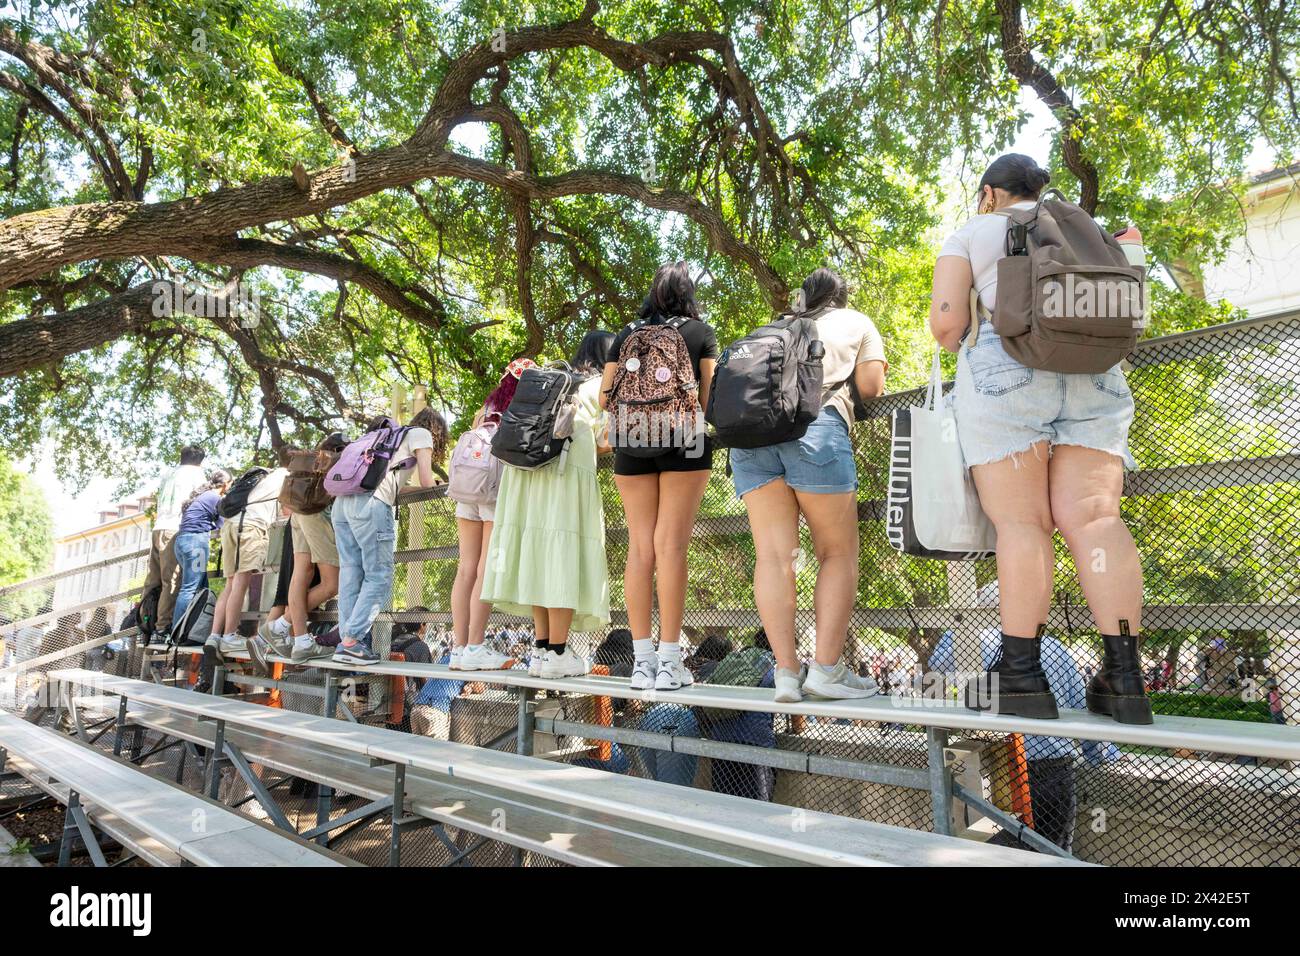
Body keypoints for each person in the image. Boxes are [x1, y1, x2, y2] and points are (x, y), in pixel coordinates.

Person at [929, 153, 1152, 725]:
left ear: (989, 194)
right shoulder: (1085, 228)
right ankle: (1125, 678)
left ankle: (1022, 674)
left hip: (1008, 371)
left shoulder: (973, 232)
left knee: (1023, 524)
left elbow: (948, 324)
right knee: (1098, 520)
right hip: (1096, 373)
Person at [729, 268, 887, 702]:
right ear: (842, 295)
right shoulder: (856, 322)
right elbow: (872, 387)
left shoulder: (774, 326)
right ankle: (827, 671)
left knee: (774, 557)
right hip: (815, 429)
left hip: (751, 442)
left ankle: (785, 672)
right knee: (835, 552)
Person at [929, 582, 1121, 854]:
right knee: (1053, 852)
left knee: (997, 854)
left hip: (996, 765)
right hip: (1054, 768)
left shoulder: (967, 642)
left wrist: (963, 620)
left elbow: (938, 663)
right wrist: (1101, 753)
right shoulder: (1054, 647)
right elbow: (1080, 708)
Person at [600, 262, 717, 692]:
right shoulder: (700, 334)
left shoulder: (626, 333)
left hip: (631, 439)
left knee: (639, 547)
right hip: (684, 438)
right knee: (672, 546)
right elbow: (707, 398)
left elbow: (603, 397)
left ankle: (641, 661)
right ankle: (670, 662)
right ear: (688, 293)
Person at [482, 330, 614, 679]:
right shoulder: (599, 385)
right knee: (562, 555)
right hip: (565, 479)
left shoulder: (553, 380)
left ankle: (543, 649)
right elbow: (605, 439)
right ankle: (557, 651)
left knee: (540, 557)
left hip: (528, 477)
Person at [332, 408, 447, 665]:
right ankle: (352, 641)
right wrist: (438, 486)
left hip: (343, 504)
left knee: (351, 571)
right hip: (371, 506)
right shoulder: (421, 435)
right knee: (379, 575)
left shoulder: (391, 438)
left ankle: (345, 642)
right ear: (436, 430)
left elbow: (396, 486)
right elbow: (429, 481)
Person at [450, 360, 535, 673]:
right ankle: (475, 645)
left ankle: (458, 648)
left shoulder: (485, 409)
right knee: (486, 568)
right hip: (494, 492)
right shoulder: (520, 409)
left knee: (465, 569)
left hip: (466, 491)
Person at [254, 434, 347, 667]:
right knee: (331, 583)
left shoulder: (311, 462)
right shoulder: (334, 461)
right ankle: (282, 629)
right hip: (316, 516)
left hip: (299, 514)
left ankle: (298, 639)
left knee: (301, 574)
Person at [207, 451, 291, 660]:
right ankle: (229, 635)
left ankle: (214, 635)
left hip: (231, 526)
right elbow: (289, 508)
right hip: (251, 528)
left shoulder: (262, 477)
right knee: (241, 584)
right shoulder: (285, 475)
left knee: (230, 584)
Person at [143, 445, 207, 636]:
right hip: (175, 528)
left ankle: (145, 621)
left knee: (153, 580)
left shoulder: (169, 473)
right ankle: (163, 626)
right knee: (171, 580)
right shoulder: (197, 475)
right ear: (200, 461)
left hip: (158, 527)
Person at [172, 469, 230, 626]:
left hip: (181, 541)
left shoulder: (201, 496)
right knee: (190, 588)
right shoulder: (216, 498)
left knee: (200, 585)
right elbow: (222, 525)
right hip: (196, 543)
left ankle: (195, 628)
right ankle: (178, 632)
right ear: (225, 484)